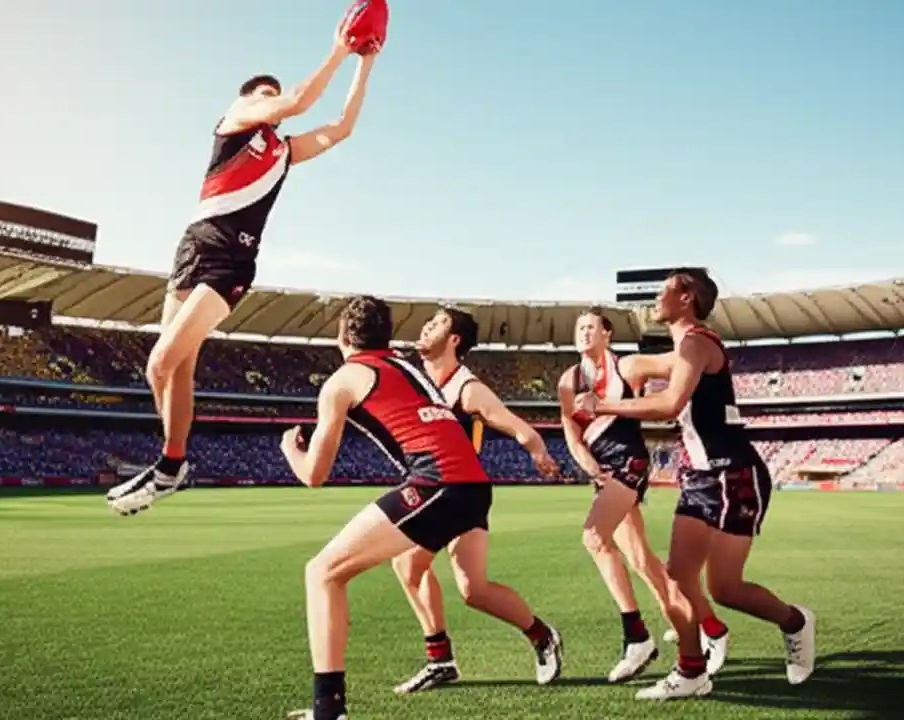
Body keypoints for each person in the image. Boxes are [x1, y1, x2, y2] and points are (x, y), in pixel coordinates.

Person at [107, 28, 381, 516]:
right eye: (263, 96)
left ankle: (171, 466)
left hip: (231, 259)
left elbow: (341, 128)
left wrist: (363, 59)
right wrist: (335, 51)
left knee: (159, 365)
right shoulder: (235, 121)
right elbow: (295, 100)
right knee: (180, 368)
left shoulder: (283, 152)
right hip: (193, 246)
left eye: (272, 96)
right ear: (246, 100)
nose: (271, 102)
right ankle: (174, 462)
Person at [282, 296, 563, 720]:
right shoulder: (406, 366)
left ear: (342, 335)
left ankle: (328, 710)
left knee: (322, 572)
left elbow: (314, 475)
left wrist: (289, 449)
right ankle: (445, 656)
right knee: (423, 571)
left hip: (439, 483)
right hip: (470, 486)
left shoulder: (342, 381)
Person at [575, 268, 816, 701]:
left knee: (725, 589)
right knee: (678, 575)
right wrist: (613, 365)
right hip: (701, 477)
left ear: (685, 296)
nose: (654, 297)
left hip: (733, 473)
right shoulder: (683, 348)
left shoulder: (699, 343)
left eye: (663, 289)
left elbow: (670, 402)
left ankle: (795, 622)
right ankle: (691, 671)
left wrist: (603, 405)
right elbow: (643, 365)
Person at [390, 307, 561, 694]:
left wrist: (536, 451)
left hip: (458, 492)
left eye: (436, 324)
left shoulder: (466, 388)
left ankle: (441, 658)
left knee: (408, 563)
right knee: (472, 589)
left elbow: (514, 423)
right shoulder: (417, 380)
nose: (425, 327)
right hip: (440, 490)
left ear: (454, 341)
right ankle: (540, 635)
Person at [558, 307, 730, 683]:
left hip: (629, 463)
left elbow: (680, 363)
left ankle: (636, 636)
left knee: (593, 537)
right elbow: (571, 433)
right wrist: (588, 466)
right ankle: (710, 628)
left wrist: (703, 352)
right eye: (579, 327)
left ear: (607, 335)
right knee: (643, 562)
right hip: (602, 473)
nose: (584, 332)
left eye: (592, 327)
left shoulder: (628, 367)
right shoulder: (569, 380)